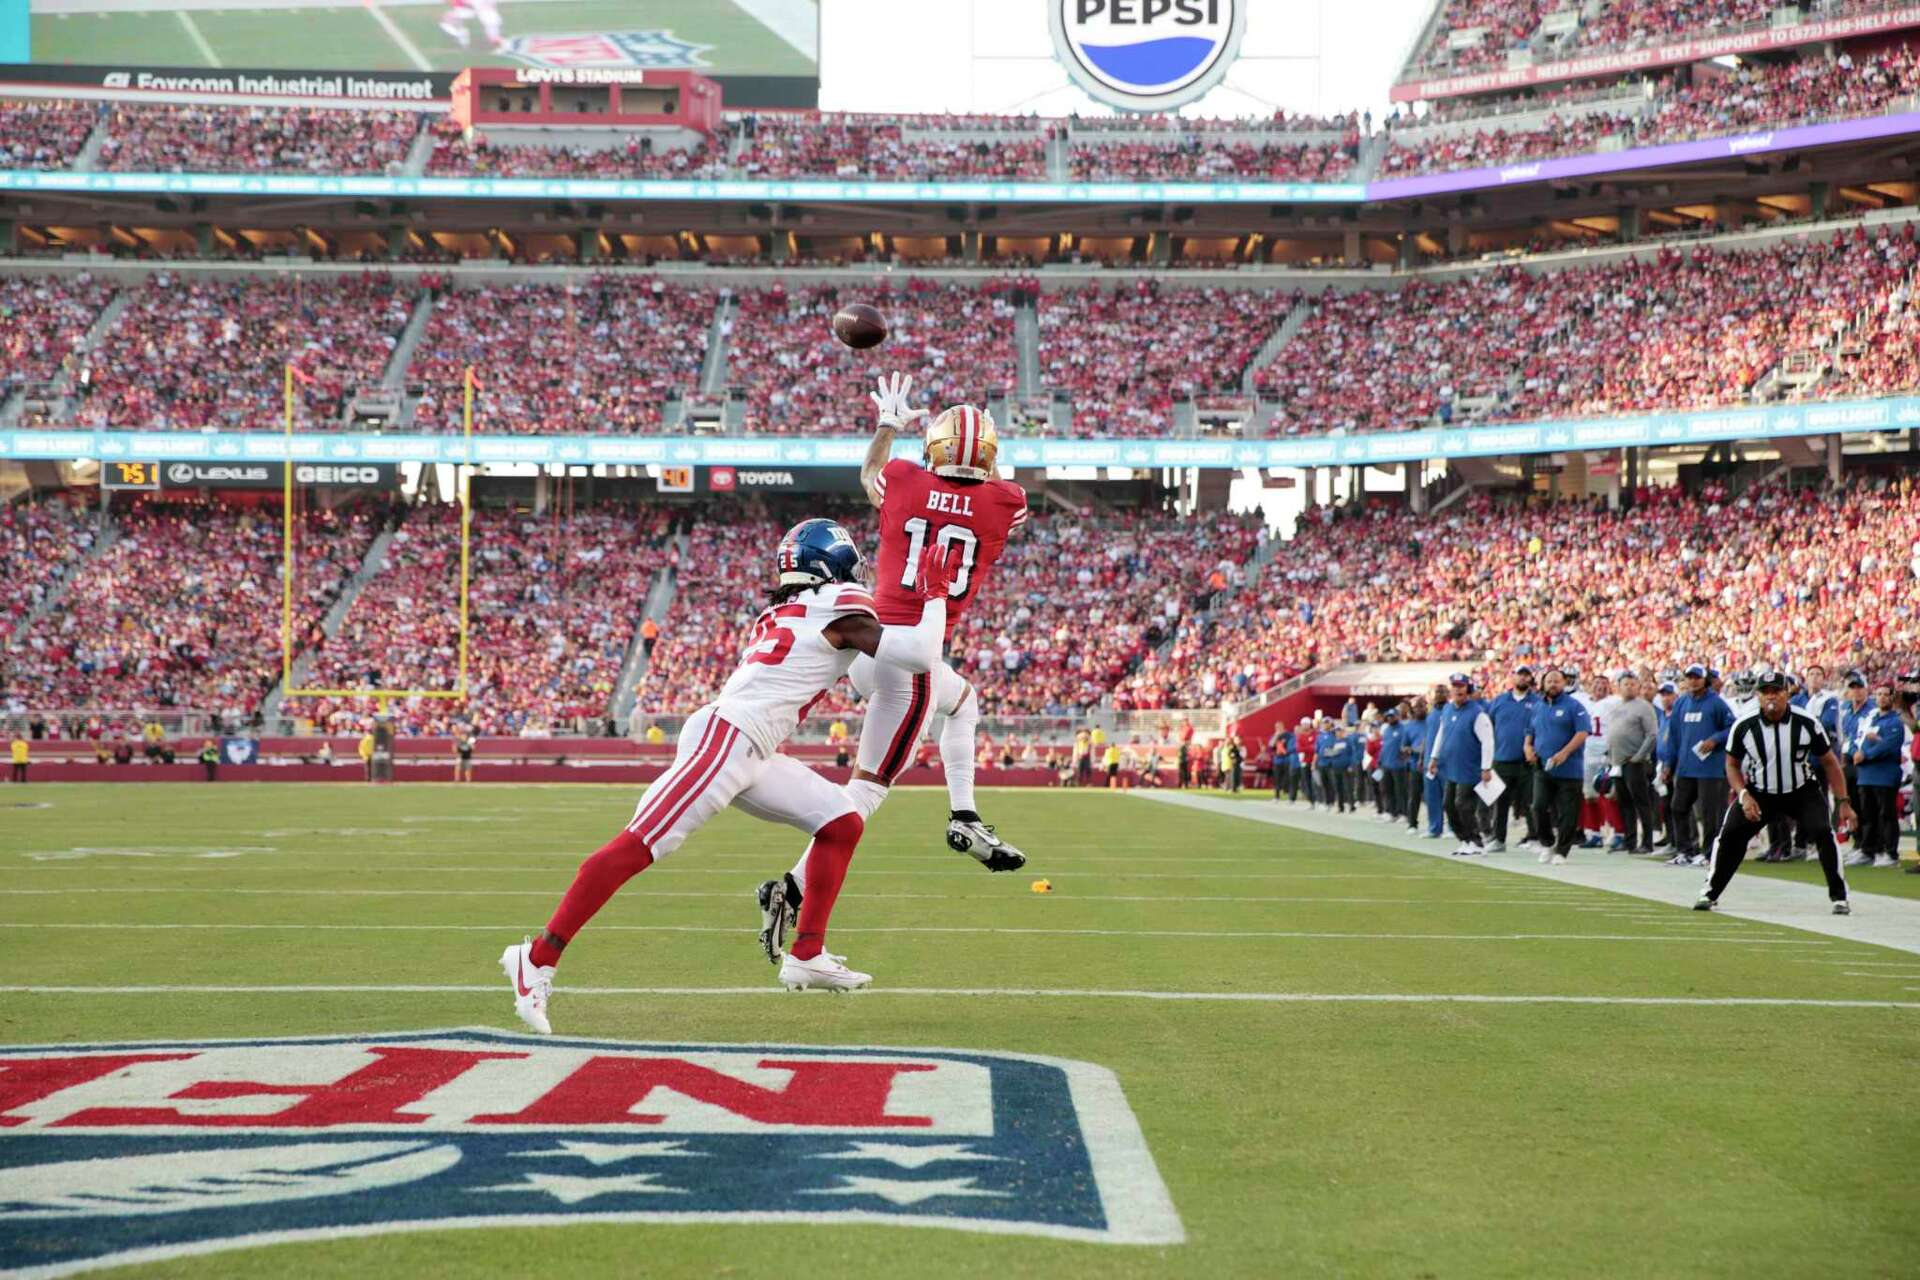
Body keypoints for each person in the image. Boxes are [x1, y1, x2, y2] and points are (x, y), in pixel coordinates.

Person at [506, 518, 949, 1034]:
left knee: (842, 822)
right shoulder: (840, 602)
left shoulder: (787, 608)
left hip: (749, 744)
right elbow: (920, 654)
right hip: (730, 737)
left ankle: (806, 952)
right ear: (837, 564)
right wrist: (935, 594)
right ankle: (534, 959)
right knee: (640, 846)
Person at [1696, 669, 1854, 915]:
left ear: (1787, 693)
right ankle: (1710, 891)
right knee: (1729, 836)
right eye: (1765, 692)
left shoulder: (1807, 722)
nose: (1771, 697)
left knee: (1823, 832)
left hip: (1801, 790)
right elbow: (1732, 764)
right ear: (1758, 696)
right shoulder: (1744, 725)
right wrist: (1743, 794)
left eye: (1776, 691)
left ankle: (1839, 896)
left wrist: (1843, 800)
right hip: (1760, 792)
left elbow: (1830, 761)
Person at [1660, 663, 1734, 867]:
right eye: (1689, 677)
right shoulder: (1682, 703)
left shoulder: (1716, 703)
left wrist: (1715, 739)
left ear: (1705, 679)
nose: (1693, 681)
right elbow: (1674, 736)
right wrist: (1669, 763)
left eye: (1697, 677)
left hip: (1710, 769)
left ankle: (1710, 853)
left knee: (1710, 813)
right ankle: (1685, 849)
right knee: (1678, 807)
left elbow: (1732, 727)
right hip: (1686, 766)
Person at [1526, 668, 1591, 865]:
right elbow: (1530, 731)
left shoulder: (1574, 706)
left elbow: (1582, 732)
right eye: (1549, 681)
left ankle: (1562, 851)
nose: (1552, 684)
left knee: (1568, 812)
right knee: (1538, 806)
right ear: (1543, 684)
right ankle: (1547, 843)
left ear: (1564, 684)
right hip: (1543, 768)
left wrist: (1565, 752)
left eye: (1556, 681)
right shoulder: (1538, 706)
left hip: (1569, 769)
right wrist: (1527, 747)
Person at [1427, 674, 1494, 856]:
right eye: (1455, 686)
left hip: (1470, 768)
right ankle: (1465, 839)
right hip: (1451, 767)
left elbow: (1488, 741)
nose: (1458, 689)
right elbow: (1441, 734)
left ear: (1468, 689)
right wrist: (1434, 757)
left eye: (1461, 686)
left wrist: (1486, 768)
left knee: (1463, 805)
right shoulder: (1447, 710)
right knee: (1448, 805)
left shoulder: (1477, 713)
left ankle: (1476, 841)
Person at [1849, 681, 1907, 869]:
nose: (1881, 697)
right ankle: (1868, 850)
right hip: (1866, 775)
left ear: (1892, 697)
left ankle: (1889, 852)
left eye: (1885, 694)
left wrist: (1866, 754)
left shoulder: (1895, 721)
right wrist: (1855, 752)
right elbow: (1858, 739)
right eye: (1879, 694)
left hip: (1884, 775)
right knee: (1868, 815)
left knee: (1886, 815)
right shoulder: (1871, 719)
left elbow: (1888, 745)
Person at [1486, 665, 1539, 852]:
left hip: (1528, 761)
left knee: (1531, 800)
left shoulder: (1537, 702)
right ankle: (1498, 839)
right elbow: (1488, 728)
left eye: (1526, 675)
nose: (1523, 678)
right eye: (1520, 675)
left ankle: (1534, 838)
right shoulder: (1499, 700)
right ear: (1513, 676)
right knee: (1500, 802)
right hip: (1501, 758)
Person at [1609, 673, 1660, 854]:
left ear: (1637, 687)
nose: (1629, 687)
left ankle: (1647, 842)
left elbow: (1652, 734)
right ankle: (1629, 840)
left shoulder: (1644, 707)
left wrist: (1639, 756)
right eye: (1626, 684)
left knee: (1641, 802)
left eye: (1632, 684)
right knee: (1624, 803)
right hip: (1617, 761)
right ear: (1619, 687)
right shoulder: (1616, 707)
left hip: (1634, 761)